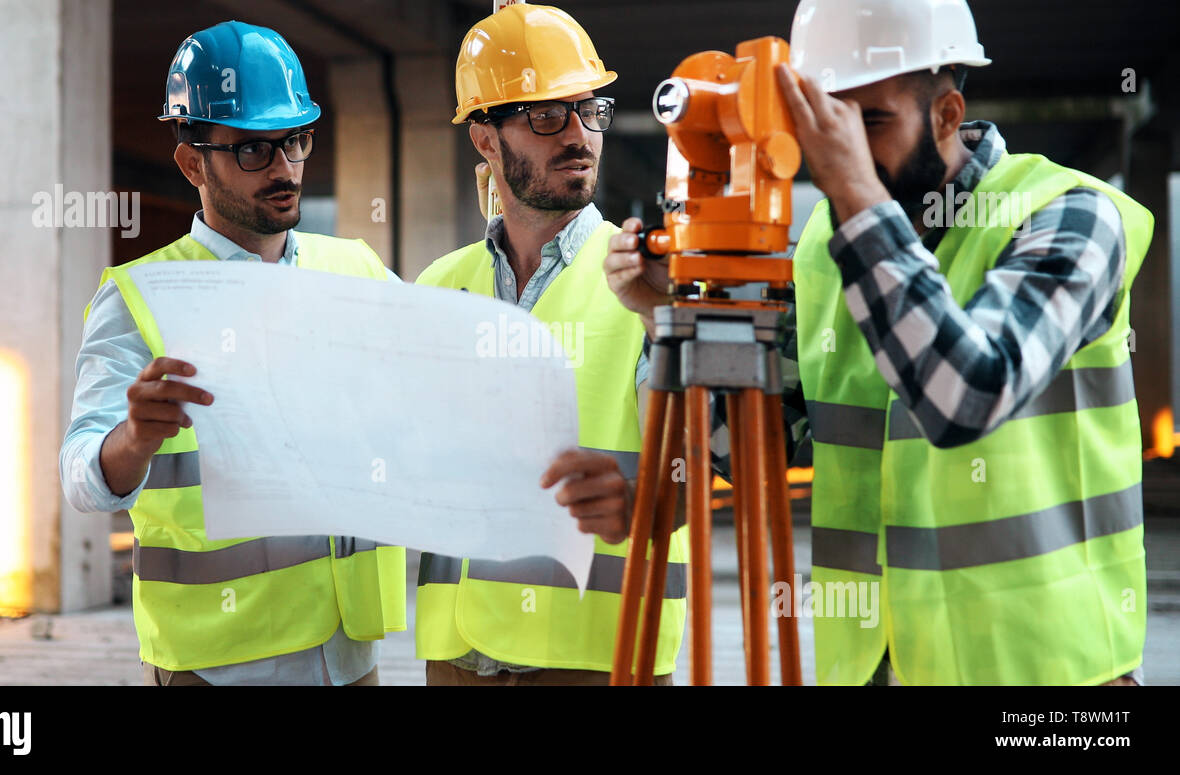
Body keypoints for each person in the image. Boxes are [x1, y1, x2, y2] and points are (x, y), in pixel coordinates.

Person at [600, 0, 1151, 685]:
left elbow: (967, 395)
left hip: (1047, 680)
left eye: (872, 122)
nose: (843, 151)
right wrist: (663, 317)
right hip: (871, 669)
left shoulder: (1067, 216)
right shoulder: (829, 255)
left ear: (947, 114)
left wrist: (859, 198)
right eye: (832, 122)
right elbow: (752, 451)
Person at [59, 21, 406, 686]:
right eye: (253, 150)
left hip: (348, 655)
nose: (283, 168)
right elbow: (80, 473)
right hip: (214, 664)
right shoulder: (139, 297)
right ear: (193, 162)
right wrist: (132, 438)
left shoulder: (357, 271)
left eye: (295, 141)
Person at [412, 3, 688, 686]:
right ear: (484, 139)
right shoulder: (438, 288)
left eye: (588, 110)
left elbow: (687, 472)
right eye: (545, 116)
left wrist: (668, 318)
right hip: (459, 657)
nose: (578, 134)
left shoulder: (646, 280)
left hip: (600, 653)